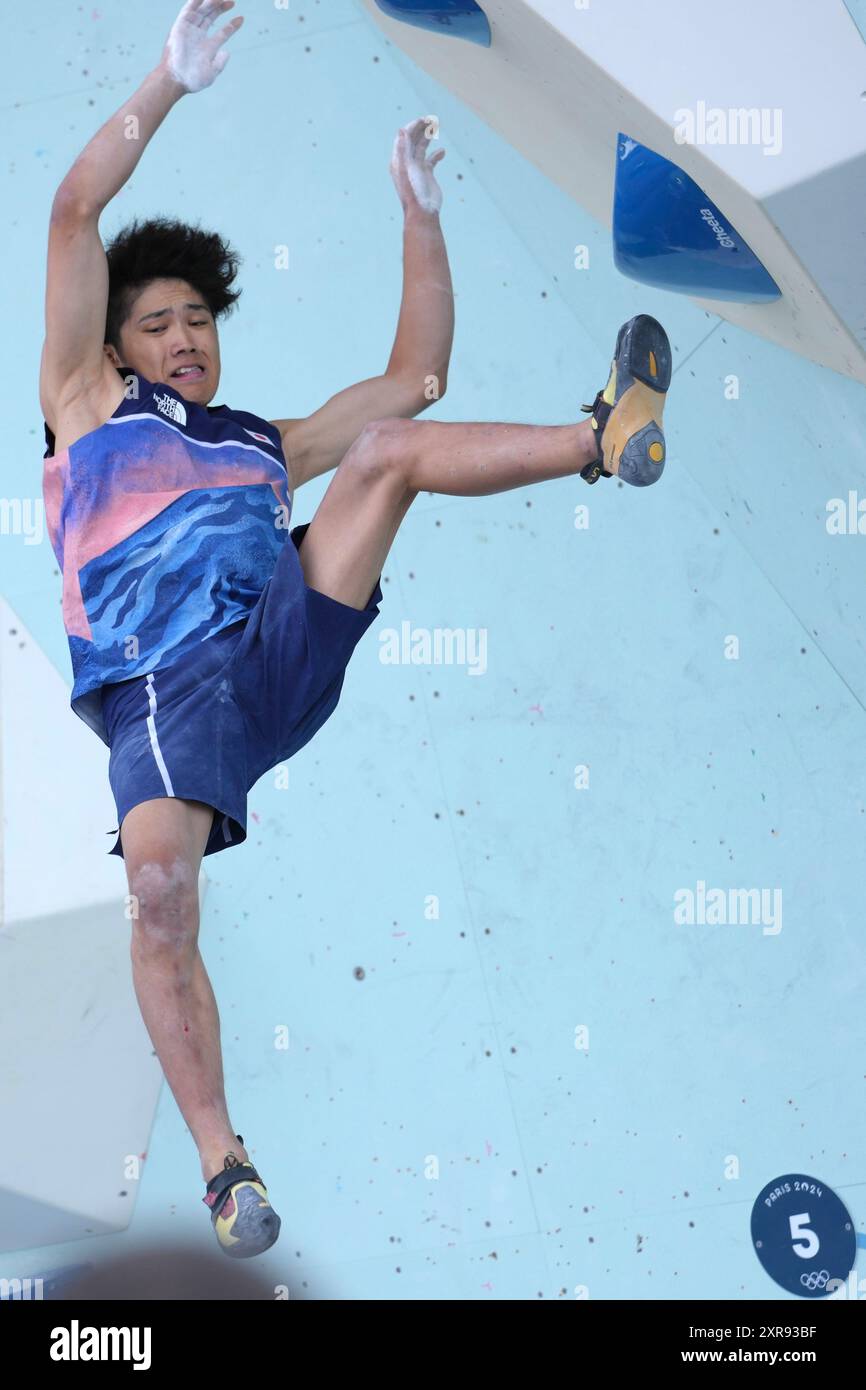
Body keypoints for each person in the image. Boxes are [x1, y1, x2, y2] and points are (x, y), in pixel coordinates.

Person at [40, 0, 671, 1259]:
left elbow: (416, 381)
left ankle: (598, 439)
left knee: (383, 449)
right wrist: (162, 85)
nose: (181, 337)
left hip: (278, 653)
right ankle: (225, 1162)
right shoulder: (81, 402)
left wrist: (418, 219)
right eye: (154, 322)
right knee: (159, 889)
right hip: (161, 689)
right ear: (113, 343)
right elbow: (70, 213)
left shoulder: (265, 445)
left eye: (196, 320)